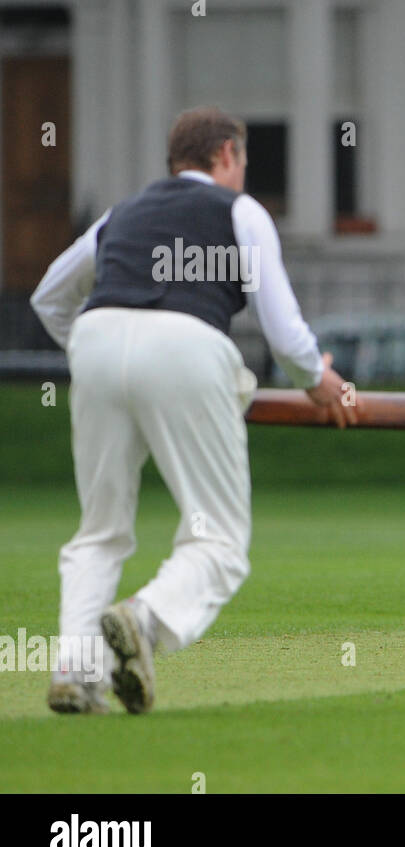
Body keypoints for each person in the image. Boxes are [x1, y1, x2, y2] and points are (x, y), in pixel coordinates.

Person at [31, 106, 355, 714]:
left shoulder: (120, 214)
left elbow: (49, 295)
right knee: (221, 539)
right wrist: (321, 379)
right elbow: (283, 332)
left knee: (98, 533)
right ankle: (143, 619)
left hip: (96, 342)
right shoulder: (242, 210)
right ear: (228, 154)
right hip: (189, 347)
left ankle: (76, 670)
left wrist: (103, 352)